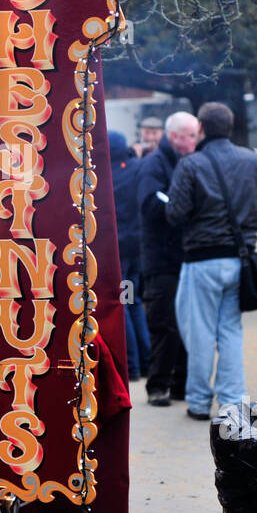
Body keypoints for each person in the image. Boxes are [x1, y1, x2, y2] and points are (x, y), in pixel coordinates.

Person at [165, 102, 257, 420]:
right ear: (232, 126)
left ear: (203, 129)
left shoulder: (191, 164)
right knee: (231, 330)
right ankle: (234, 401)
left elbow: (175, 214)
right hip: (239, 258)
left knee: (200, 332)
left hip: (202, 259)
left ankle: (197, 401)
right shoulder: (252, 160)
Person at [136, 111, 199, 406]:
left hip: (183, 256)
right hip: (160, 259)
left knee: (185, 323)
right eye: (191, 135)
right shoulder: (153, 165)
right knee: (164, 324)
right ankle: (158, 386)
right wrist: (180, 209)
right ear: (175, 136)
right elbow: (150, 203)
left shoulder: (186, 161)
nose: (196, 141)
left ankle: (181, 385)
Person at [110, 130, 150, 380]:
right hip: (138, 246)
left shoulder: (106, 173)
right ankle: (146, 362)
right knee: (135, 303)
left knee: (124, 303)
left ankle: (132, 366)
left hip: (120, 249)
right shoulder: (138, 168)